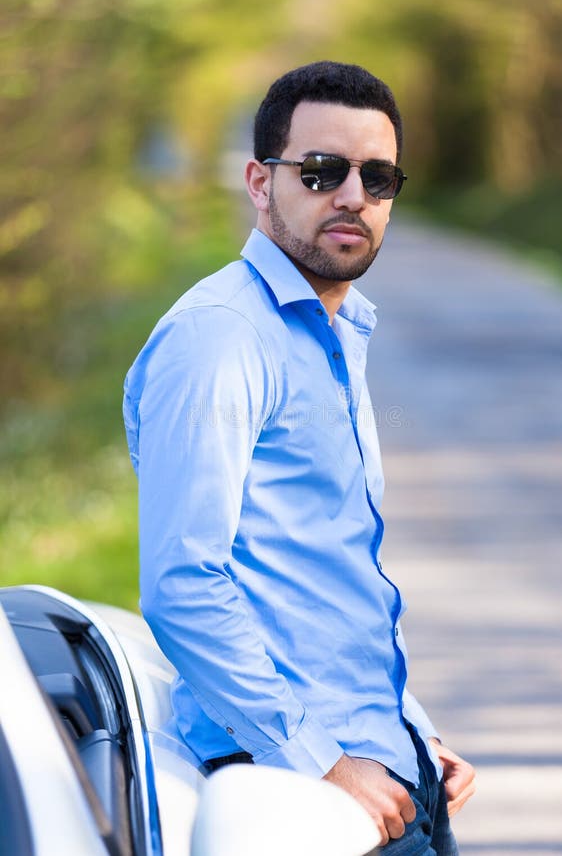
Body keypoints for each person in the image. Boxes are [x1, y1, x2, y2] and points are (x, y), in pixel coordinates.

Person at [123, 60, 475, 853]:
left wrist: (409, 731)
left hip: (379, 770)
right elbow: (185, 584)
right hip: (292, 796)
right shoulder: (222, 337)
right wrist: (320, 763)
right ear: (259, 181)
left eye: (377, 177)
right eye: (321, 171)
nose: (352, 196)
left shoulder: (334, 330)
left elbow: (321, 576)